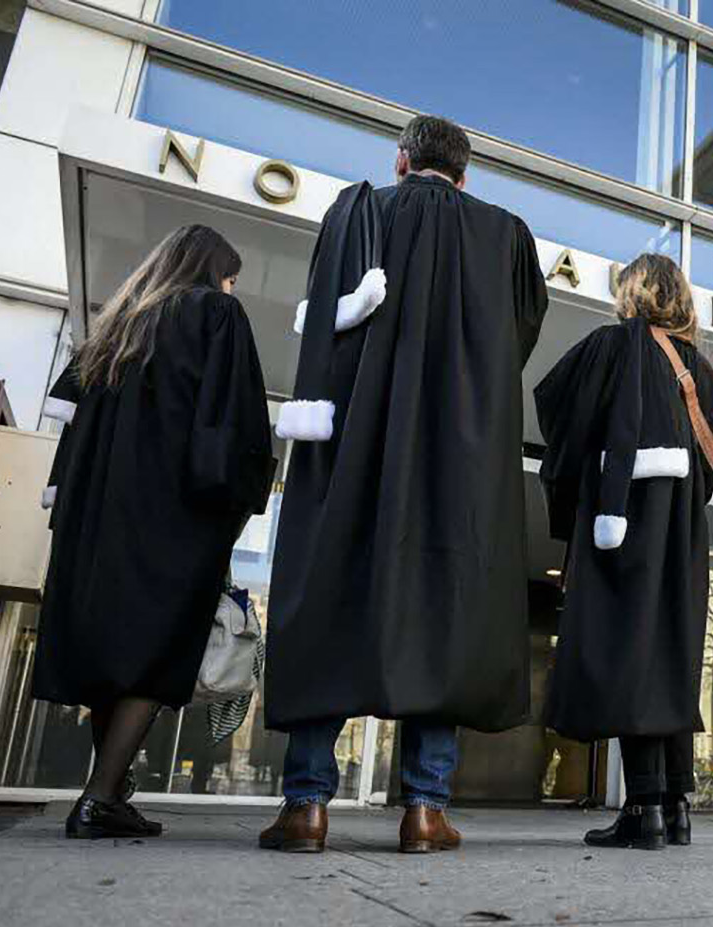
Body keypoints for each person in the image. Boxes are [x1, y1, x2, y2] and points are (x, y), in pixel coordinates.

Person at [261, 114, 548, 854]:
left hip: (355, 436)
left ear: (400, 161)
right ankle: (424, 809)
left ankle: (306, 807)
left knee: (329, 590)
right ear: (465, 171)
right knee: (445, 605)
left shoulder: (357, 210)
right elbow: (518, 335)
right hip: (457, 448)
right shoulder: (506, 233)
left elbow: (327, 314)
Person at [33, 224, 274, 839]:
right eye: (231, 274)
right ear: (213, 269)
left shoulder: (118, 325)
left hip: (95, 515)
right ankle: (100, 796)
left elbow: (74, 430)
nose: (231, 286)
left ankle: (108, 789)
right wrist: (237, 503)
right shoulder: (216, 314)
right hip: (171, 510)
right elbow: (233, 419)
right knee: (156, 645)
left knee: (111, 645)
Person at [535, 254, 713, 850]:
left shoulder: (611, 345)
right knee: (669, 654)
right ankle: (675, 807)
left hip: (624, 517)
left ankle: (642, 807)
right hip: (680, 532)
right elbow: (711, 463)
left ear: (632, 292)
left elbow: (559, 410)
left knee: (629, 650)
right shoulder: (703, 369)